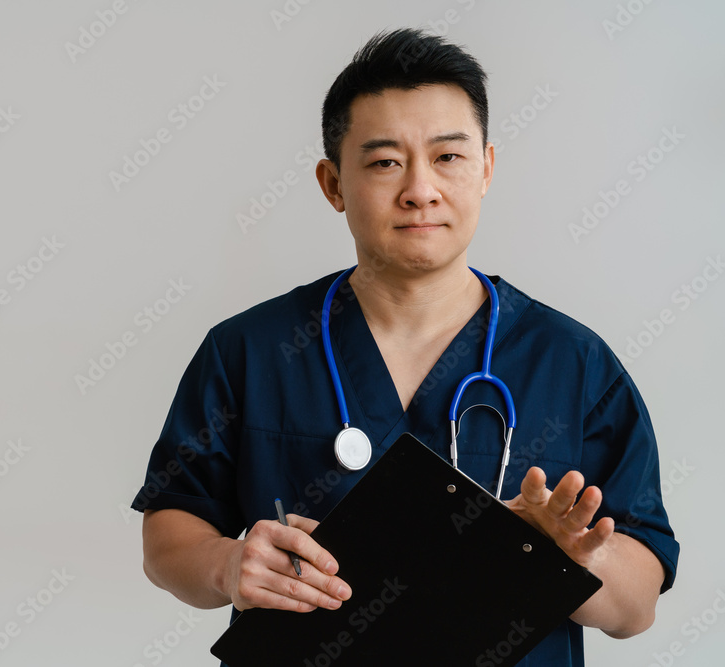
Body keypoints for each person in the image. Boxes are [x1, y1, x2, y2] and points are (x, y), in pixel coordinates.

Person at [130, 28, 679, 666]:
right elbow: (167, 536)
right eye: (385, 162)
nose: (421, 189)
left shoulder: (573, 363)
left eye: (448, 157)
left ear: (486, 168)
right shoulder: (249, 352)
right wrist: (227, 564)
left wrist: (572, 559)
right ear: (333, 184)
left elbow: (638, 606)